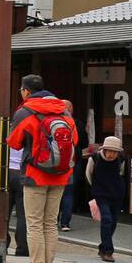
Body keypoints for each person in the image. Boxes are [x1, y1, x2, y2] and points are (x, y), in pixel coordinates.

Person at [8, 74, 79, 263]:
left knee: (35, 223)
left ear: (26, 91)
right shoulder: (64, 112)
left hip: (35, 174)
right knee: (50, 223)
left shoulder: (25, 112)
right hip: (61, 174)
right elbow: (73, 140)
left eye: (21, 90)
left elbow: (14, 142)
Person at [86, 136, 127, 263]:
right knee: (107, 220)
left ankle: (102, 247)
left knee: (113, 222)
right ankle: (108, 251)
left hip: (116, 193)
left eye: (114, 152)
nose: (111, 154)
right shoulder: (95, 158)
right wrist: (95, 188)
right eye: (109, 151)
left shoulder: (121, 159)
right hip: (101, 194)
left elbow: (121, 173)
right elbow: (88, 174)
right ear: (104, 150)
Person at [58, 99, 80, 232]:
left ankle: (52, 220)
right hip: (71, 162)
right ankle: (65, 223)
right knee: (68, 193)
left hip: (54, 164)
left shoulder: (51, 121)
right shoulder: (76, 124)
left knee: (55, 192)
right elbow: (80, 143)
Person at [7, 144, 30, 258]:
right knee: (23, 214)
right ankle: (22, 247)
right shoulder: (29, 128)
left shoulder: (7, 128)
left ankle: (2, 242)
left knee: (3, 212)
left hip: (6, 170)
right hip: (23, 172)